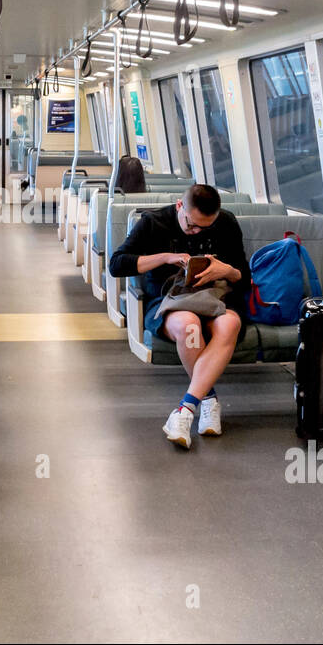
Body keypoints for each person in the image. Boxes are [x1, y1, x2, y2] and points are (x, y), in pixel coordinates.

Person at [108, 184, 250, 449]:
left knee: (230, 323)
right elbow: (116, 264)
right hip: (170, 301)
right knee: (189, 327)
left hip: (215, 298)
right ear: (179, 207)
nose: (198, 232)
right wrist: (164, 258)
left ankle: (186, 409)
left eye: (205, 228)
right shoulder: (152, 223)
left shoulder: (227, 223)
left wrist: (226, 270)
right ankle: (208, 401)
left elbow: (244, 278)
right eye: (192, 226)